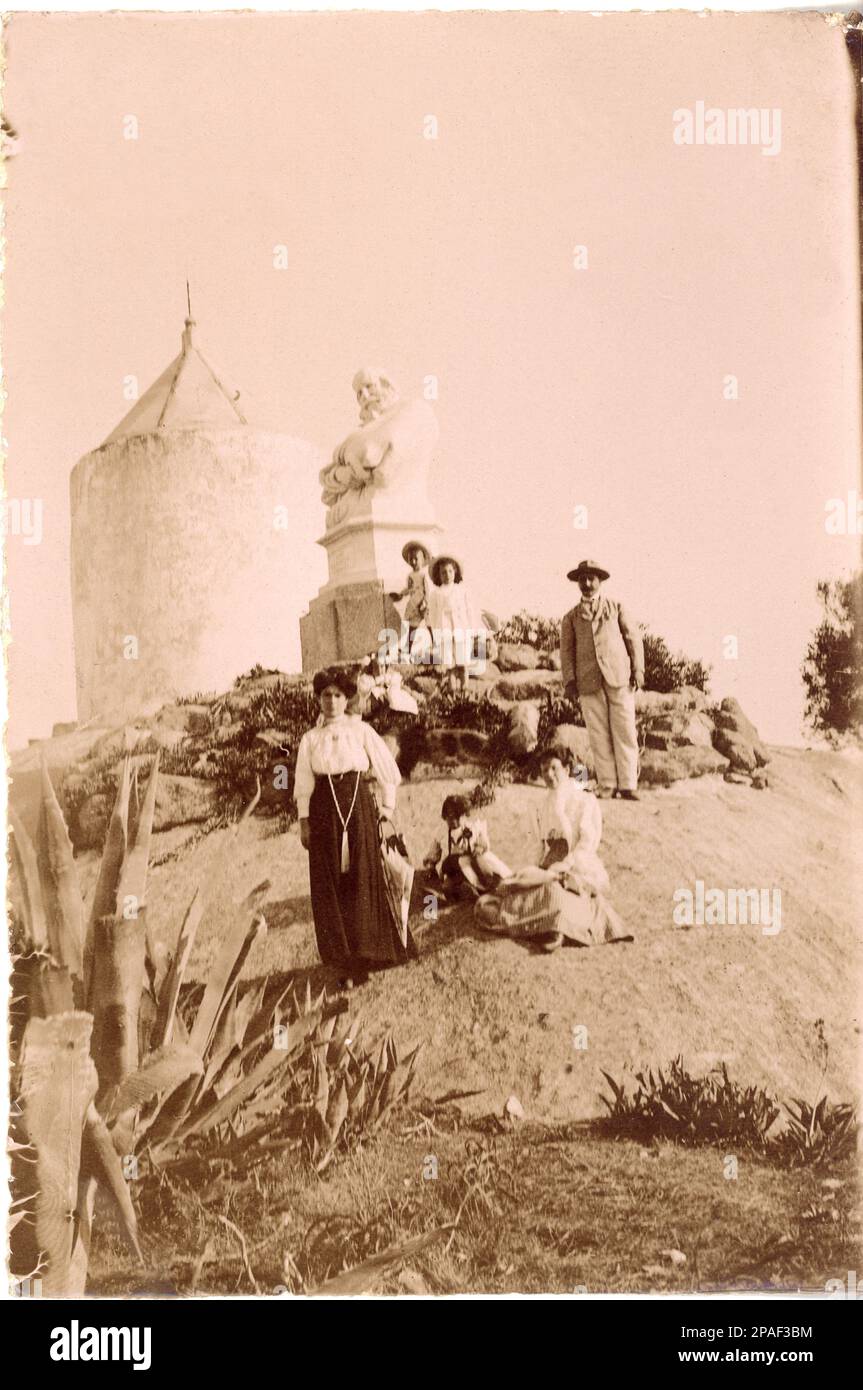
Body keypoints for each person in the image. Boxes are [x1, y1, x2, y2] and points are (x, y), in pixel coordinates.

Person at [294, 667, 415, 989]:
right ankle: (344, 961)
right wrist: (304, 821)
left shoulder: (361, 732)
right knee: (332, 883)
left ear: (346, 698)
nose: (331, 701)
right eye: (325, 695)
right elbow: (304, 783)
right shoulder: (310, 739)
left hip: (358, 807)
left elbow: (387, 770)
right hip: (324, 812)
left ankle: (367, 954)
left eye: (337, 695)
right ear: (318, 699)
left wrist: (387, 807)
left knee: (361, 878)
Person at [474, 747, 631, 951]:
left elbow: (587, 843)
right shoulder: (540, 806)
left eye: (554, 768)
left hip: (574, 865)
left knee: (555, 892)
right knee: (497, 899)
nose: (549, 774)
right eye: (544, 769)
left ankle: (556, 930)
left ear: (567, 769)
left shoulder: (584, 800)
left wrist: (565, 865)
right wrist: (527, 873)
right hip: (547, 867)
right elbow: (536, 847)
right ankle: (541, 926)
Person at [560, 559, 644, 801]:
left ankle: (628, 784)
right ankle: (607, 784)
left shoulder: (616, 607)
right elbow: (566, 652)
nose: (586, 583)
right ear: (578, 582)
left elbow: (633, 639)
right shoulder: (571, 618)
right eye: (582, 579)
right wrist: (570, 681)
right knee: (598, 732)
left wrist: (638, 670)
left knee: (625, 728)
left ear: (600, 581)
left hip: (619, 677)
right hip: (588, 680)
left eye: (591, 578)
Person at [423, 794, 512, 901]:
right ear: (444, 817)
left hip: (473, 864)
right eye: (450, 818)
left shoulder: (473, 827)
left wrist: (479, 848)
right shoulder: (442, 834)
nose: (454, 821)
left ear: (464, 815)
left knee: (490, 874)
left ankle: (486, 889)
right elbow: (433, 853)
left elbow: (483, 842)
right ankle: (466, 892)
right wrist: (430, 865)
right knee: (447, 887)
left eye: (458, 817)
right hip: (454, 868)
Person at [427, 555, 486, 691]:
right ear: (438, 575)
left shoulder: (461, 590)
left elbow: (469, 610)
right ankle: (452, 690)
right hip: (445, 630)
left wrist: (472, 630)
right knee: (450, 664)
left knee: (463, 661)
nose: (447, 575)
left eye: (450, 571)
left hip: (461, 628)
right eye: (443, 572)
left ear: (455, 572)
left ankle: (465, 689)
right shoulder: (436, 594)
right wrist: (436, 633)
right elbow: (434, 615)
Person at [389, 541, 434, 660]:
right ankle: (407, 648)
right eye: (411, 559)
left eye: (416, 559)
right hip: (414, 603)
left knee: (430, 624)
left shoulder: (424, 575)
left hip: (423, 603)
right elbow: (409, 589)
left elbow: (427, 590)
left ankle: (436, 644)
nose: (413, 562)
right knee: (412, 627)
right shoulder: (410, 575)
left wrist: (426, 602)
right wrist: (401, 594)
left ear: (423, 559)